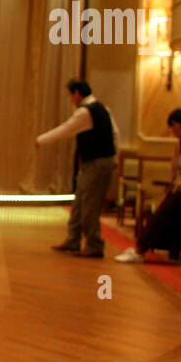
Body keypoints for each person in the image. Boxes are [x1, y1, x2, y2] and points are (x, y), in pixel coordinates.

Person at [115, 109, 181, 263]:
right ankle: (171, 251)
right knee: (171, 217)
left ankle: (140, 249)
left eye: (174, 126)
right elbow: (178, 169)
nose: (173, 131)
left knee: (161, 215)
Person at [36, 78, 119, 258]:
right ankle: (73, 240)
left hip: (97, 163)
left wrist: (41, 140)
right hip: (96, 162)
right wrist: (115, 157)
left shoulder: (85, 112)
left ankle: (94, 245)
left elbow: (66, 129)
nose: (70, 99)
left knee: (89, 205)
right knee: (80, 202)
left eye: (70, 95)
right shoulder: (103, 108)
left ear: (77, 93)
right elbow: (115, 134)